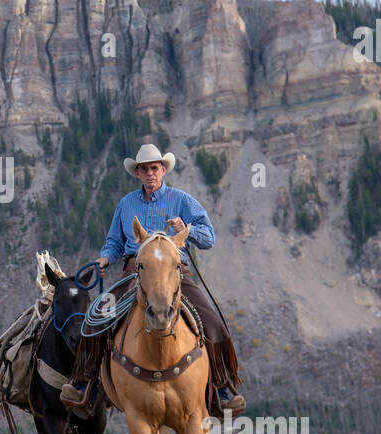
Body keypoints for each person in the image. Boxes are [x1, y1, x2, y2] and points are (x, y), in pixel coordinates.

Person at [60, 142, 246, 416]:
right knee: (97, 315)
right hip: (135, 272)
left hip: (175, 273)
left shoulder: (182, 200)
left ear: (163, 170)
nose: (150, 173)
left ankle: (222, 388)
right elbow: (114, 242)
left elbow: (209, 238)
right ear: (137, 173)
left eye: (154, 168)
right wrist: (104, 258)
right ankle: (85, 383)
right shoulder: (126, 204)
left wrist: (188, 229)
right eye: (144, 169)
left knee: (213, 322)